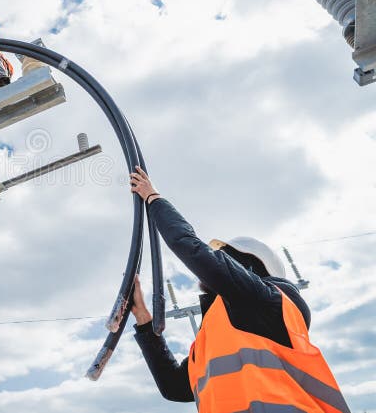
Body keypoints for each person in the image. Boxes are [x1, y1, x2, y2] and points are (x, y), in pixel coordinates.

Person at [128, 166, 349, 413]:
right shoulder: (215, 334)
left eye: (224, 257)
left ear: (252, 268)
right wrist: (145, 323)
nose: (217, 261)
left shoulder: (269, 302)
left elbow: (192, 249)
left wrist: (154, 198)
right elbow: (174, 387)